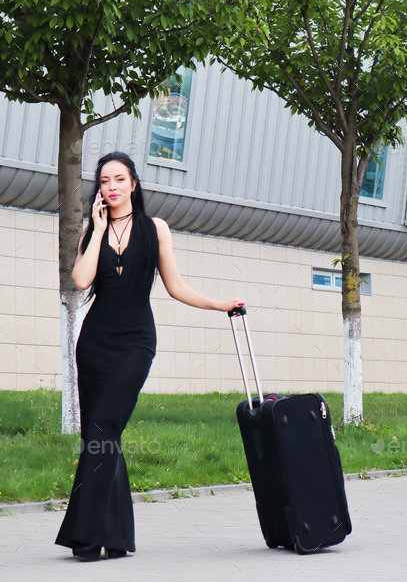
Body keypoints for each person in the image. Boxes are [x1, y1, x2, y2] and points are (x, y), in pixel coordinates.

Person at [55, 151, 244, 561]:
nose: (111, 187)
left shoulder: (155, 228)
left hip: (135, 344)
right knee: (101, 438)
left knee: (104, 427)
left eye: (119, 179)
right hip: (94, 345)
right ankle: (118, 537)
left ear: (134, 184)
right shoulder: (93, 230)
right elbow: (81, 279)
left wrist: (219, 304)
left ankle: (84, 534)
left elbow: (174, 286)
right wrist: (97, 227)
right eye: (104, 181)